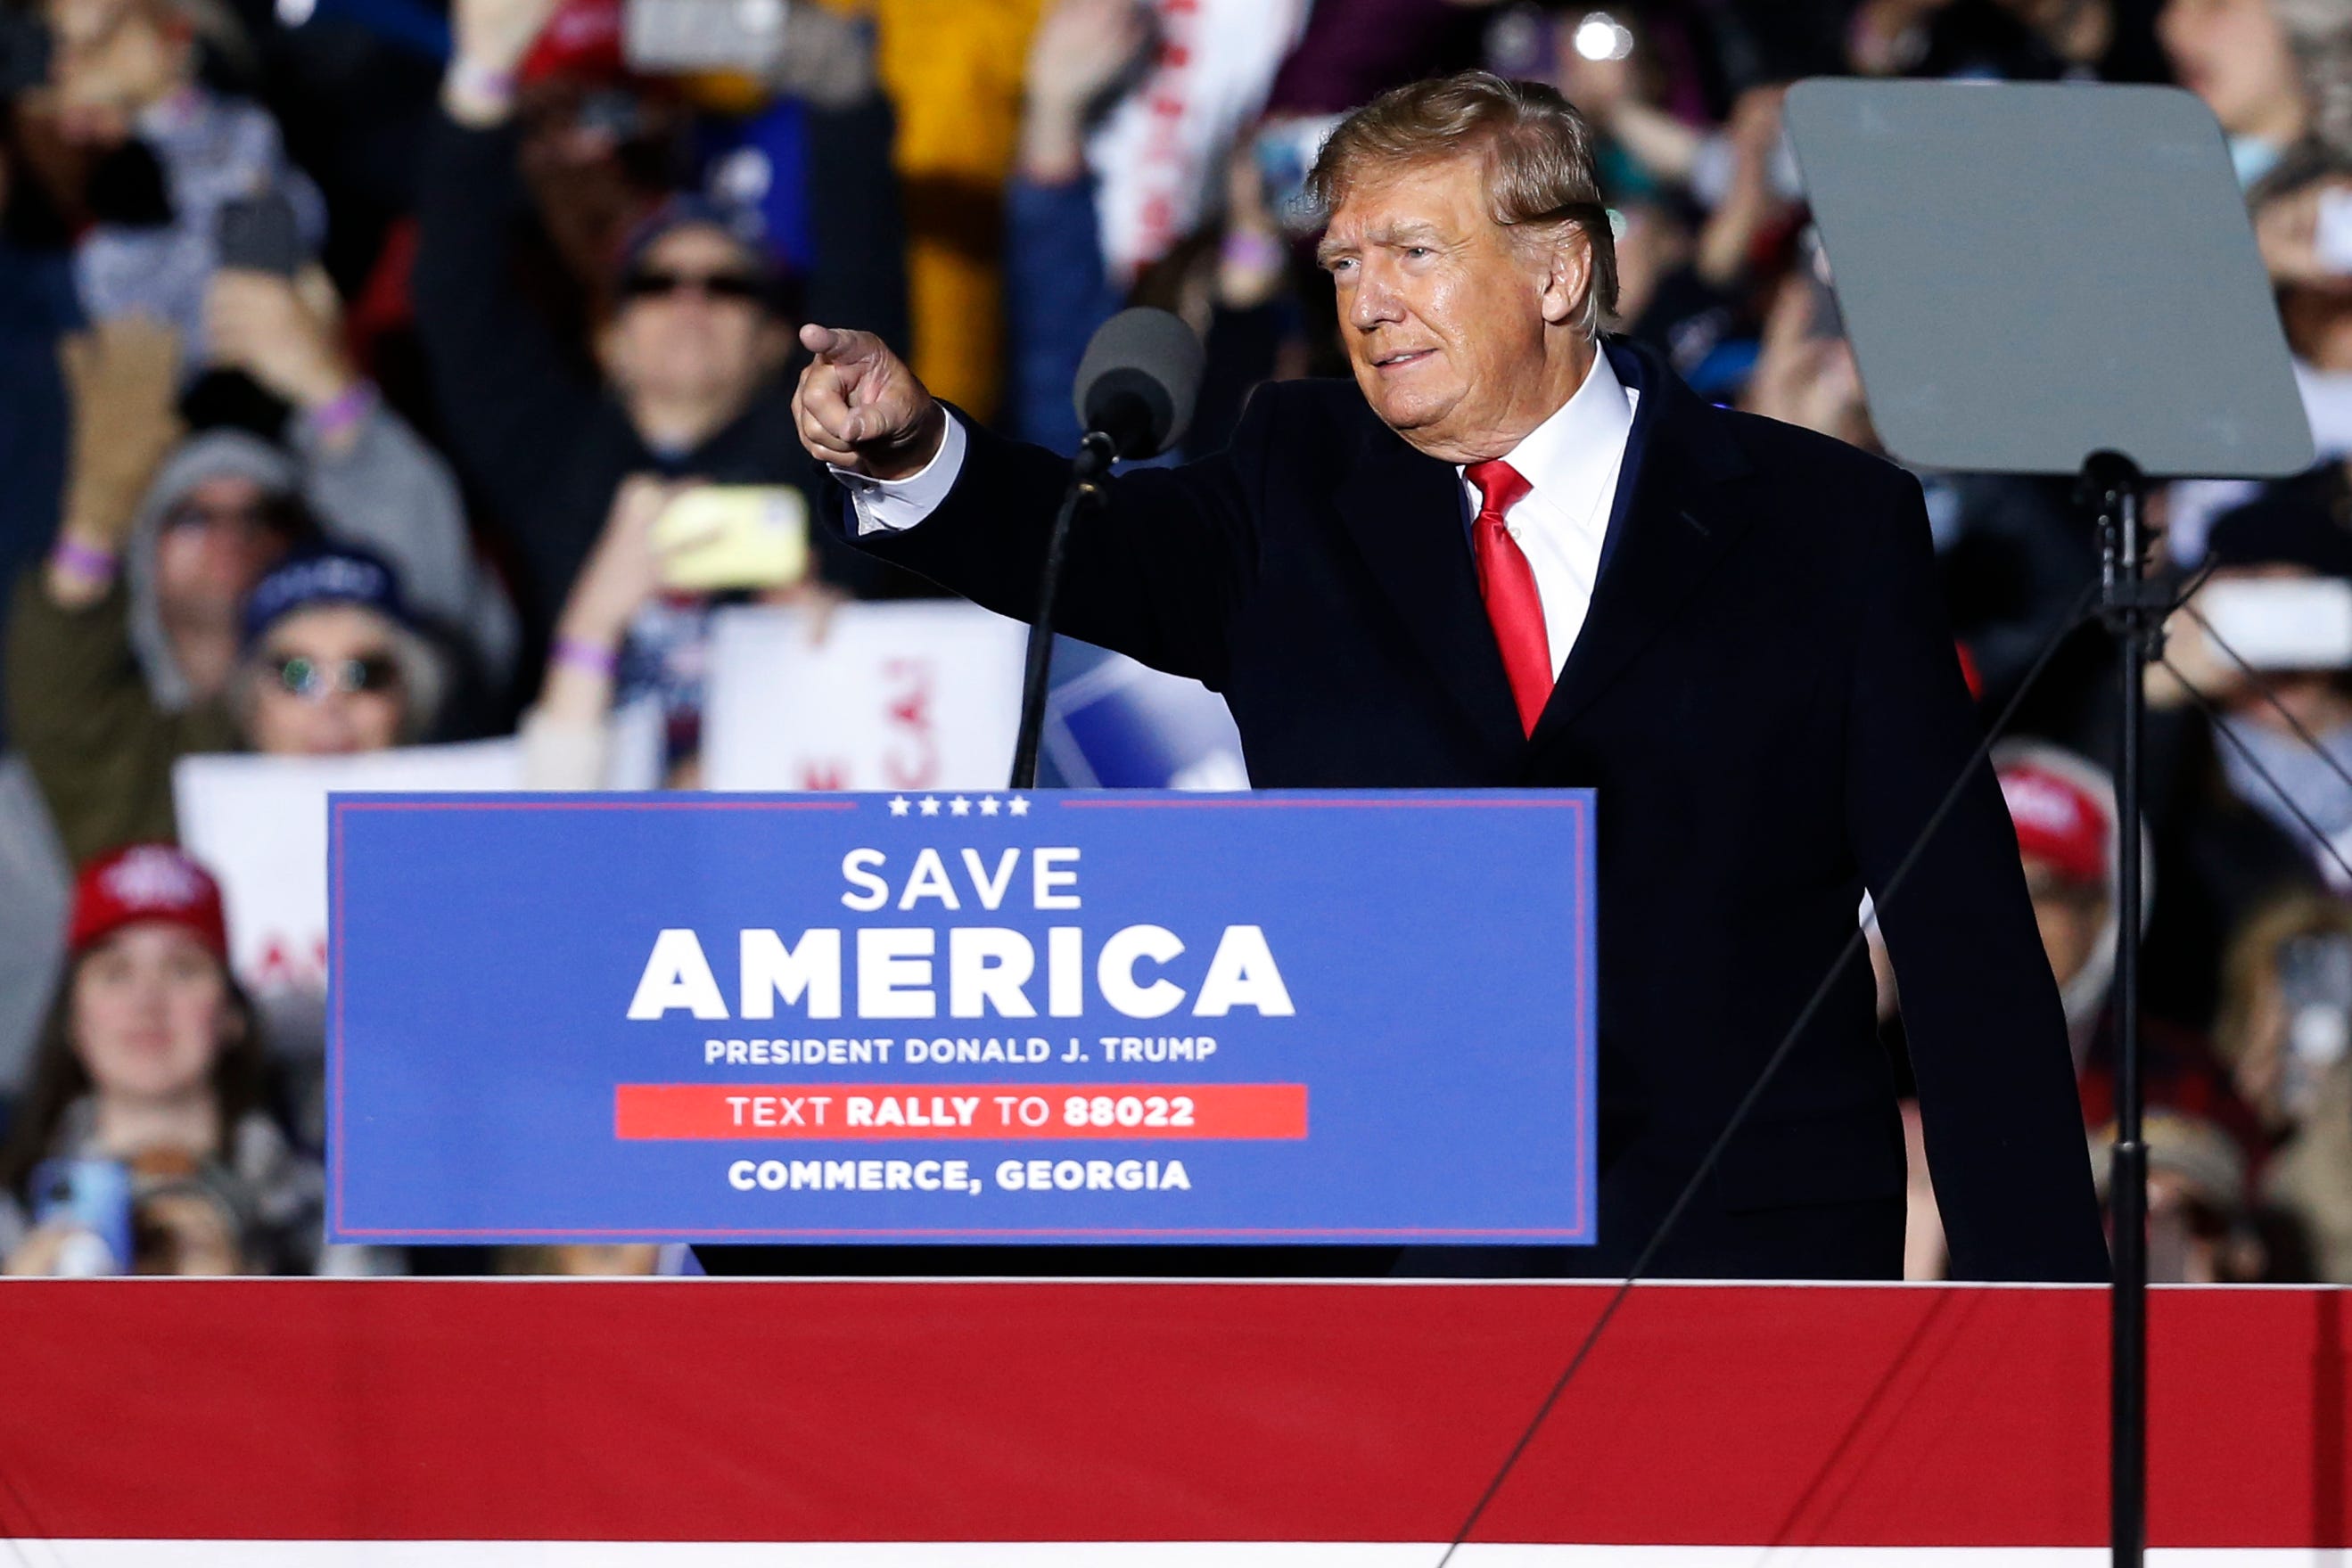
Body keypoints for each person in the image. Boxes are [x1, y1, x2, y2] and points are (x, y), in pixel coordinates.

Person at [784, 70, 2105, 1282]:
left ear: (1555, 269)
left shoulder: (1821, 521)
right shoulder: (1295, 479)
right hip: (1387, 1245)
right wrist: (912, 454)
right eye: (1346, 261)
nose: (1366, 301)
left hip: (1734, 1245)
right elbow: (1085, 542)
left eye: (1414, 253)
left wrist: (2035, 1311)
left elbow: (1959, 937)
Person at [6, 318, 450, 863]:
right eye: (193, 518)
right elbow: (57, 696)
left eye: (262, 516)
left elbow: (428, 581)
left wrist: (337, 402)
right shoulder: (147, 779)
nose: (229, 538)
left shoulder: (437, 757)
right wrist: (93, 527)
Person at [0, 842, 321, 1275]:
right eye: (115, 973)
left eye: (183, 969)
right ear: (73, 1019)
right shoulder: (11, 1217)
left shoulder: (321, 1216)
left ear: (232, 1013)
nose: (146, 1001)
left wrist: (249, 1306)